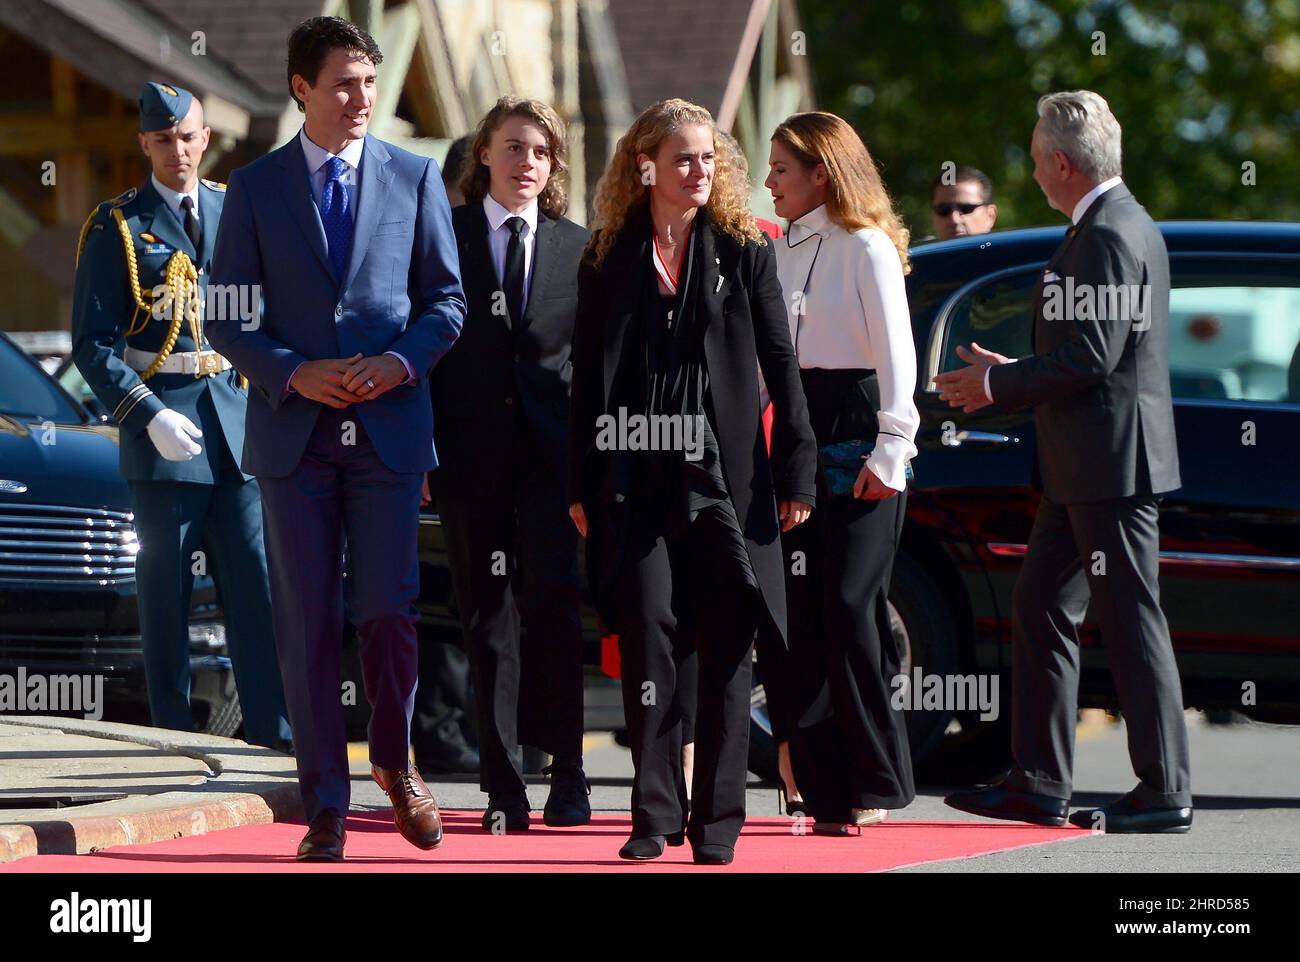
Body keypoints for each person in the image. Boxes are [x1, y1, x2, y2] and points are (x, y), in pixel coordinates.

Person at [207, 16, 466, 862]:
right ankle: (326, 803)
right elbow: (228, 315)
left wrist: (396, 363)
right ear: (302, 90)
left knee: (389, 609)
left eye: (369, 82)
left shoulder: (417, 177)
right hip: (294, 436)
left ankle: (395, 763)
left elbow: (447, 304)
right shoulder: (254, 188)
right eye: (345, 83)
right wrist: (291, 372)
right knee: (308, 619)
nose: (362, 99)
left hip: (390, 430)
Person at [935, 90, 1192, 834]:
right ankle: (1038, 782)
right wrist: (1014, 369)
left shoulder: (1110, 231)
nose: (1034, 171)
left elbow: (1094, 355)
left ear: (1061, 162)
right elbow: (1092, 352)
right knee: (1042, 605)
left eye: (1035, 157)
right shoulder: (1107, 225)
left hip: (1111, 465)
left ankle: (1165, 789)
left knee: (1130, 619)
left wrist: (995, 383)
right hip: (1082, 465)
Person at [569, 98, 817, 865]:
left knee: (728, 650)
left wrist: (797, 468)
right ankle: (652, 817)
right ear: (646, 165)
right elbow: (584, 380)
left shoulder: (745, 250)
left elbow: (782, 364)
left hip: (724, 477)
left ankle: (716, 826)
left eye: (709, 158)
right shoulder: (608, 254)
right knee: (648, 639)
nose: (700, 171)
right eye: (683, 158)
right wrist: (582, 480)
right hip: (634, 476)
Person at [71, 82, 291, 751]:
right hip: (164, 429)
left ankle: (273, 734)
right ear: (145, 144)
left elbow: (267, 313)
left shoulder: (235, 210)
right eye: (163, 139)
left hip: (235, 424)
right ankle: (172, 730)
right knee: (164, 595)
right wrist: (147, 416)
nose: (179, 150)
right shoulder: (119, 226)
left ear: (204, 137)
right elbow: (93, 344)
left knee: (256, 586)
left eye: (188, 136)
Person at [431, 97, 591, 832]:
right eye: (515, 147)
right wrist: (424, 450)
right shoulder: (443, 235)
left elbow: (590, 367)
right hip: (469, 458)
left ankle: (567, 773)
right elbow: (425, 345)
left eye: (541, 152)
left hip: (552, 464)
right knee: (486, 619)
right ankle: (504, 788)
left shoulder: (577, 247)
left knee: (555, 608)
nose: (528, 163)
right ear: (485, 156)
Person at [764, 111, 919, 835]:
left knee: (854, 608)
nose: (768, 183)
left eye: (781, 170)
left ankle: (875, 776)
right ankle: (826, 792)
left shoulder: (867, 248)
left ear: (820, 172)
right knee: (800, 619)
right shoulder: (780, 251)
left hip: (862, 436)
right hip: (798, 435)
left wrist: (893, 448)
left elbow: (897, 357)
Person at [411, 132, 480, 779]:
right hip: (440, 449)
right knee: (440, 601)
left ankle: (485, 732)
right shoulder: (436, 252)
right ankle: (436, 730)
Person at [930, 165, 997, 240]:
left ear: (990, 216)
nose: (954, 219)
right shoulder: (919, 250)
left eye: (966, 208)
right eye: (943, 210)